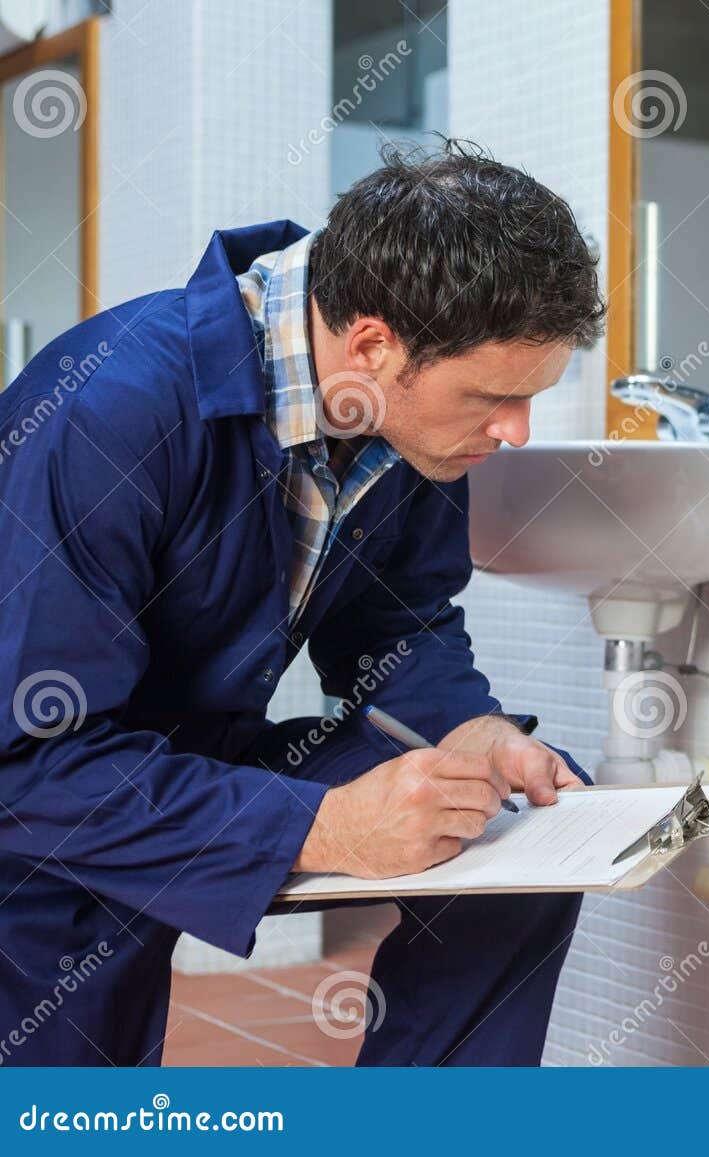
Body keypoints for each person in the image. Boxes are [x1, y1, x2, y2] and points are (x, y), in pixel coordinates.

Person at [0, 139, 606, 1066]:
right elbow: (33, 764)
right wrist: (325, 826)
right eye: (494, 396)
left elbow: (399, 626)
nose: (514, 431)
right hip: (48, 795)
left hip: (200, 753)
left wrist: (466, 729)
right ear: (372, 343)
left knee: (512, 845)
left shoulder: (410, 421)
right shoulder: (109, 410)